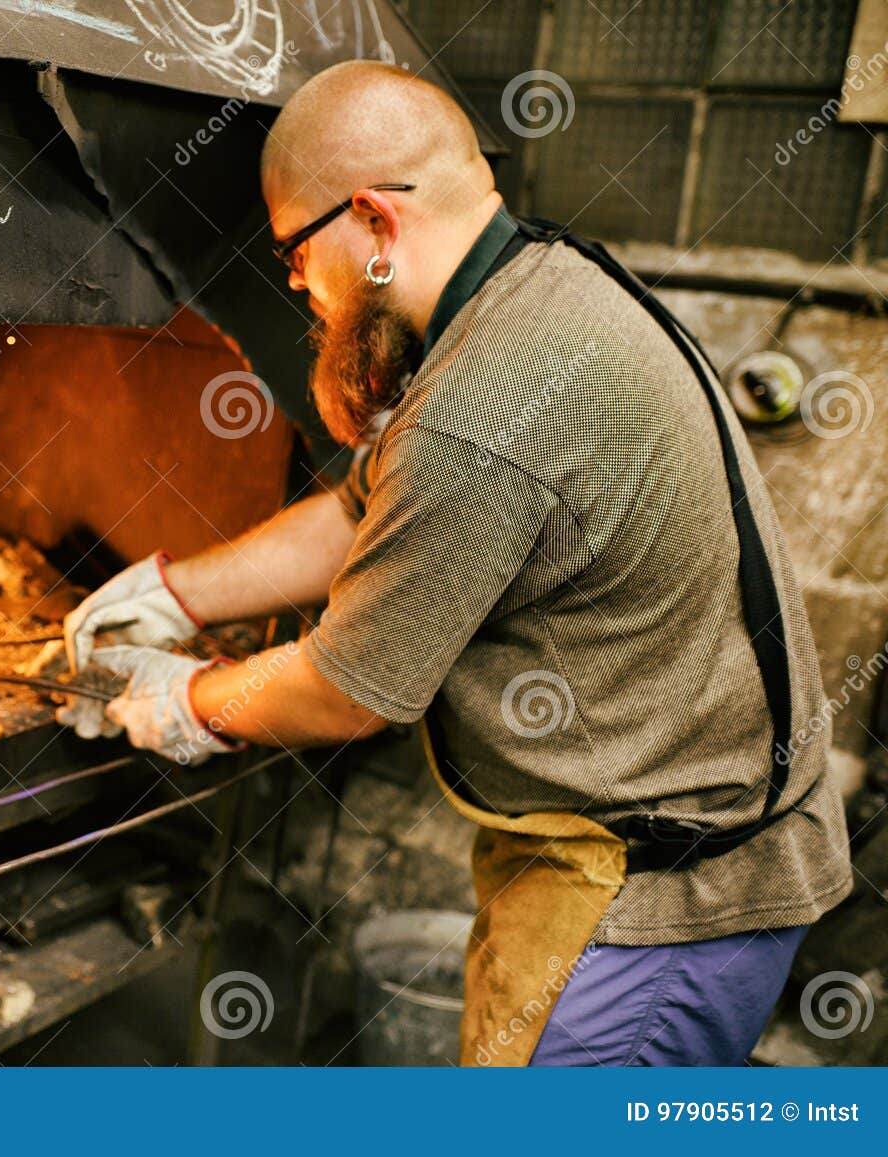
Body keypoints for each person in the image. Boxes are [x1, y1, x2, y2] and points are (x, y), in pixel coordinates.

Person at [58, 61, 851, 1066]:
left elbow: (349, 689)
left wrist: (188, 698)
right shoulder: (539, 282)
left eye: (296, 254)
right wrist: (170, 593)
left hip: (658, 909)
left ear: (376, 224)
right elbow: (367, 510)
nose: (297, 286)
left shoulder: (484, 403)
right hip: (661, 855)